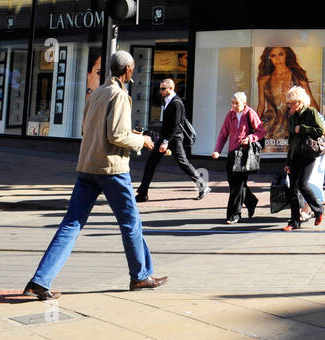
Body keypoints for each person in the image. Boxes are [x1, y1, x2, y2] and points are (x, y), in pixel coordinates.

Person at [23, 51, 166, 299]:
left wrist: (125, 133)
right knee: (131, 223)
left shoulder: (97, 93)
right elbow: (117, 136)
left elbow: (88, 128)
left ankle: (40, 279)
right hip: (111, 169)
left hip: (87, 166)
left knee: (71, 223)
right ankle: (141, 276)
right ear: (128, 70)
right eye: (133, 68)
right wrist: (141, 140)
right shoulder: (120, 96)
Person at [136, 79, 207, 202]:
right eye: (160, 88)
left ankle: (202, 185)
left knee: (183, 163)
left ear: (171, 88)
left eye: (163, 89)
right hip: (166, 137)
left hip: (174, 138)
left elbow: (176, 125)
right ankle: (142, 193)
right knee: (150, 163)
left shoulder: (176, 103)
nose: (161, 91)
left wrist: (165, 141)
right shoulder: (167, 101)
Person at [212, 92, 264, 224]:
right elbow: (223, 134)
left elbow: (261, 131)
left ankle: (234, 215)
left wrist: (250, 138)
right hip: (232, 153)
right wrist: (217, 150)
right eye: (232, 103)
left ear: (244, 103)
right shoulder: (231, 114)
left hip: (244, 154)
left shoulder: (250, 113)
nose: (234, 106)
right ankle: (251, 201)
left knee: (237, 186)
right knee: (234, 184)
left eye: (236, 103)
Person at [283, 85, 325, 230]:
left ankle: (318, 209)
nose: (290, 105)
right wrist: (288, 162)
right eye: (289, 103)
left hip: (309, 153)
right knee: (291, 188)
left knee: (302, 184)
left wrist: (302, 128)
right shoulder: (292, 117)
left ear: (300, 101)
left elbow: (320, 131)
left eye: (292, 102)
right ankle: (294, 221)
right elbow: (291, 141)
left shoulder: (311, 113)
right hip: (296, 154)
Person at [257, 46, 315, 146]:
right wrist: (254, 126)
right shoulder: (263, 79)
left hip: (293, 120)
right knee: (267, 151)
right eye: (273, 55)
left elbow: (310, 101)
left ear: (286, 55)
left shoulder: (297, 75)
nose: (277, 59)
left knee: (294, 149)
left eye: (281, 54)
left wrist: (317, 121)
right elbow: (261, 106)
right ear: (269, 58)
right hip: (270, 122)